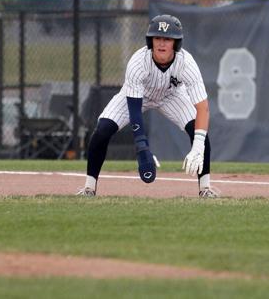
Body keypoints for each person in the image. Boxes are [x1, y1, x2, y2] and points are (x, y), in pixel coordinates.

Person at [77, 14, 217, 198]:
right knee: (102, 130)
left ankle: (205, 189)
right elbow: (134, 110)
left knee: (199, 132)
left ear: (176, 43)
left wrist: (198, 147)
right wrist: (142, 147)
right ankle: (89, 187)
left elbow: (203, 108)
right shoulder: (138, 62)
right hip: (137, 96)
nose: (161, 43)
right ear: (150, 40)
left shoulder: (186, 63)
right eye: (157, 38)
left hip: (171, 95)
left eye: (167, 39)